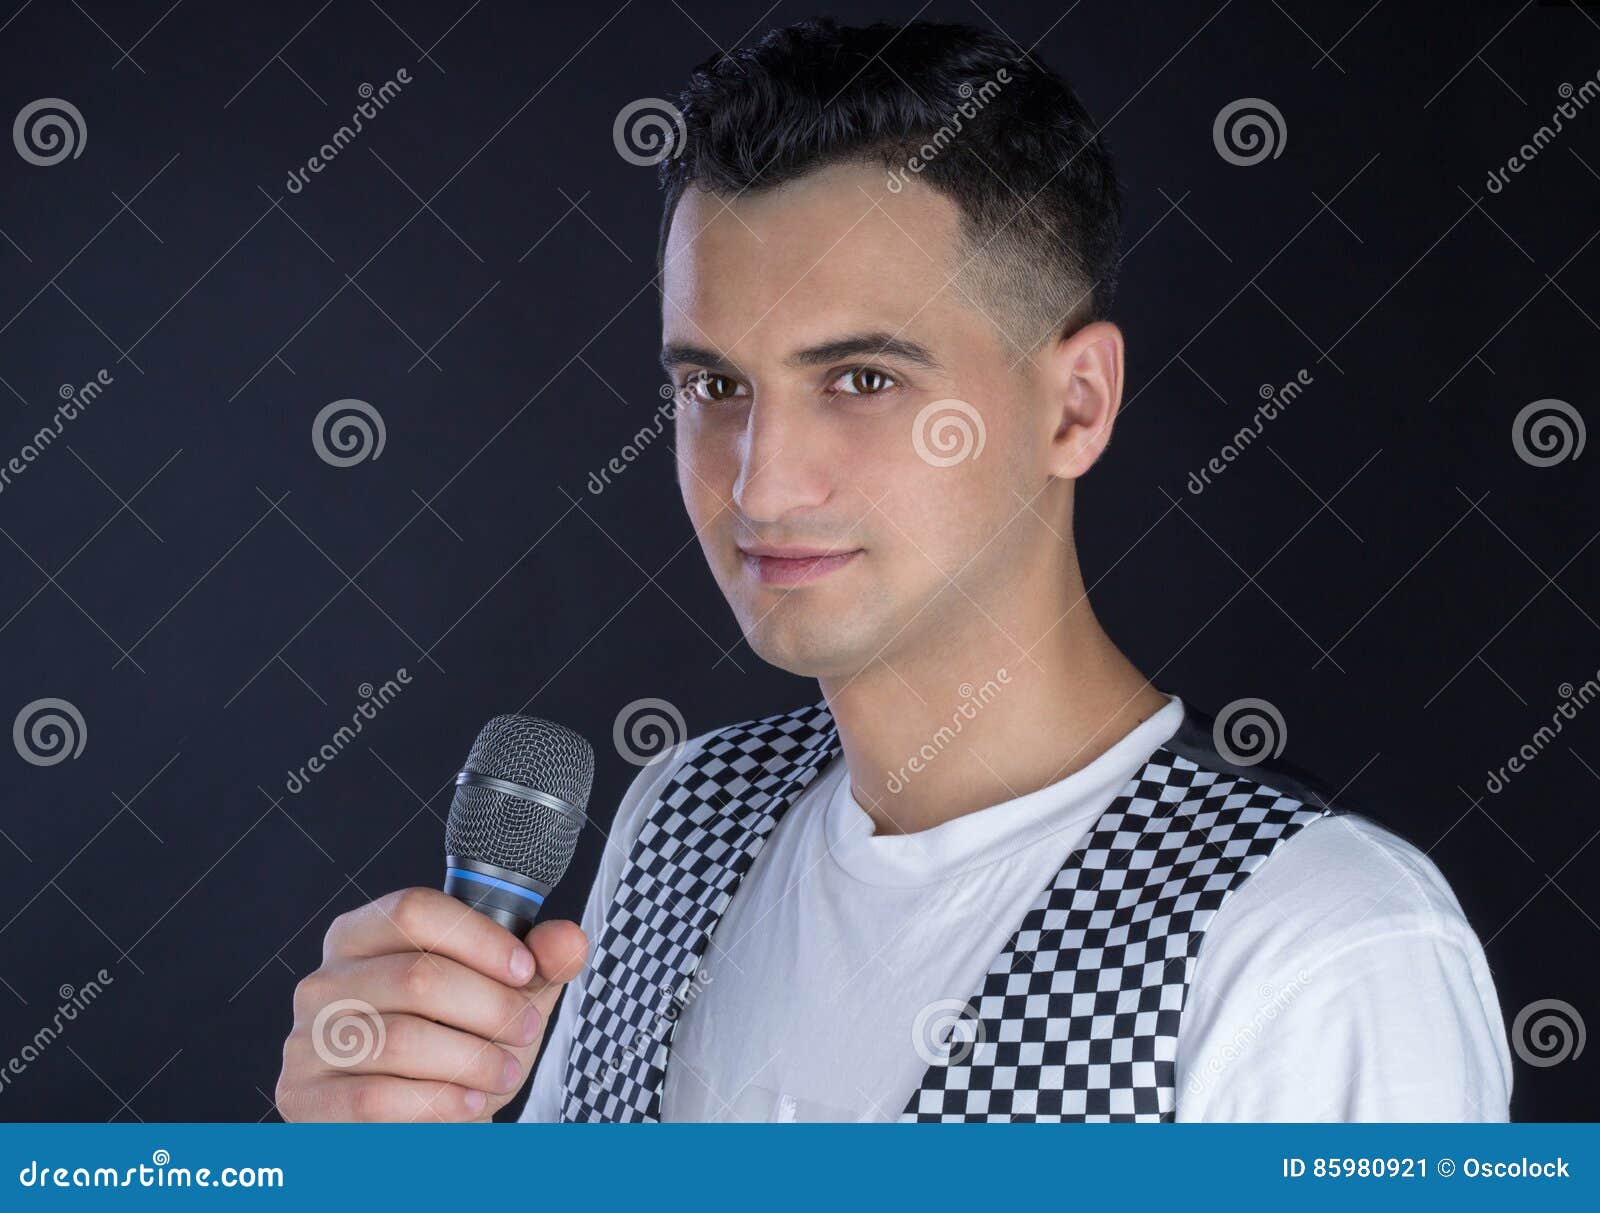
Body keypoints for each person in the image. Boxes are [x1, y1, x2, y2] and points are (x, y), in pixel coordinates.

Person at [274, 16, 1511, 1124]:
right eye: (714, 385)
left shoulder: (1315, 944)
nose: (758, 484)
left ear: (1073, 405)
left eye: (862, 380)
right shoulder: (677, 823)